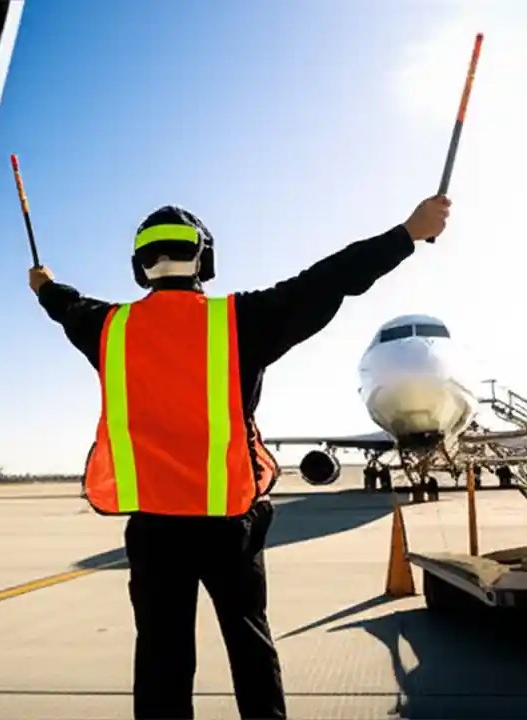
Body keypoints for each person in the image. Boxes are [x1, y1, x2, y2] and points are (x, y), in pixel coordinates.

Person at [29, 196, 450, 720]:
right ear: (204, 260)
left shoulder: (109, 330)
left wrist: (44, 285)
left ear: (142, 267)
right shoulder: (241, 321)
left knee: (161, 659)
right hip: (230, 526)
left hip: (155, 529)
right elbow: (331, 278)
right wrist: (407, 234)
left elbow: (66, 306)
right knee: (250, 648)